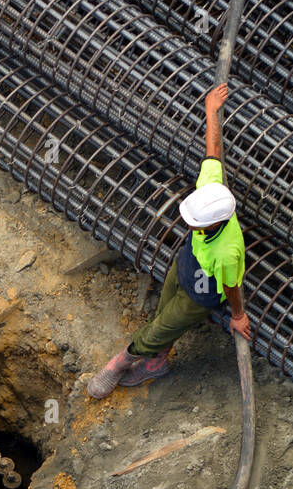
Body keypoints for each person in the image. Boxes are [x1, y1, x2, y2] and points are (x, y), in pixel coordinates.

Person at [88, 83, 250, 399]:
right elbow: (213, 151)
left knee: (160, 329)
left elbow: (231, 286)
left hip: (203, 291)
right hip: (187, 263)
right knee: (164, 318)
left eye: (194, 222)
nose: (188, 222)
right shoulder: (210, 188)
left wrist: (239, 315)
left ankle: (121, 362)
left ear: (214, 223)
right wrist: (210, 110)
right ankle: (158, 361)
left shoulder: (227, 250)